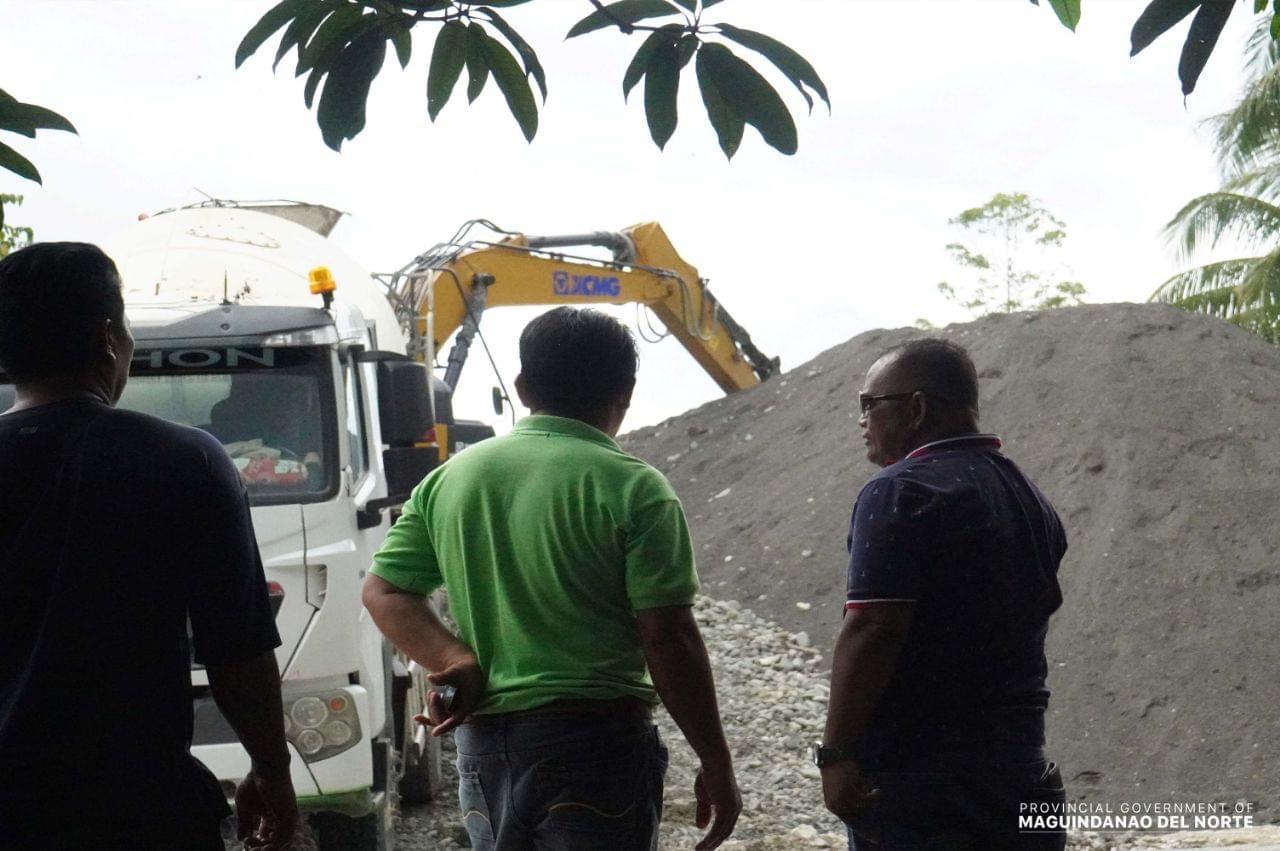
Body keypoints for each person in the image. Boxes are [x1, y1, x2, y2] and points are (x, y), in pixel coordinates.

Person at [363, 306, 742, 851]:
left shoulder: (450, 480)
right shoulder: (635, 487)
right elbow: (668, 636)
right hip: (595, 745)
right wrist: (715, 759)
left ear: (520, 387)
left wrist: (454, 659)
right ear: (625, 392)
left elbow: (384, 591)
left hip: (485, 746)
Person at [0, 243, 298, 850]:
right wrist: (271, 767)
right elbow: (235, 647)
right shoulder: (183, 460)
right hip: (138, 809)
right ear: (110, 338)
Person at [818, 338, 1067, 851]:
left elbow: (873, 628)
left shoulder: (900, 490)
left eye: (869, 404)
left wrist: (836, 754)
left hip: (924, 789)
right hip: (1020, 770)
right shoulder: (1029, 497)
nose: (860, 419)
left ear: (916, 408)